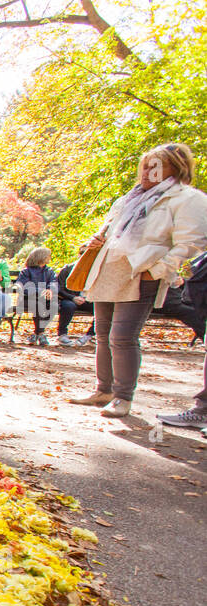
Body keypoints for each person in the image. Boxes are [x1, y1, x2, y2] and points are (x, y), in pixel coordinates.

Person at [70, 143, 207, 418]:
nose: (147, 171)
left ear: (176, 168)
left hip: (140, 273)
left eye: (156, 166)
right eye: (145, 165)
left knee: (122, 337)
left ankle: (122, 397)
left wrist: (157, 270)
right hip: (109, 270)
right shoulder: (128, 198)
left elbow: (190, 243)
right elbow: (111, 233)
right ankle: (103, 390)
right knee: (102, 335)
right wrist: (95, 242)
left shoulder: (187, 198)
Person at [15, 246, 63, 347]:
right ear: (42, 257)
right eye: (48, 256)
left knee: (54, 305)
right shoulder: (26, 271)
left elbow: (54, 283)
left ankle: (37, 333)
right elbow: (23, 287)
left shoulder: (50, 271)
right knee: (37, 305)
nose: (50, 258)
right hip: (28, 299)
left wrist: (50, 290)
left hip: (46, 299)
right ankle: (41, 334)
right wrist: (41, 291)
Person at [54, 261, 91, 345]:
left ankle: (90, 335)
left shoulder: (95, 270)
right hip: (69, 298)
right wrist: (73, 297)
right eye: (82, 253)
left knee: (101, 307)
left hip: (88, 299)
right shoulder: (67, 269)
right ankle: (62, 334)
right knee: (68, 306)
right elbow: (59, 289)